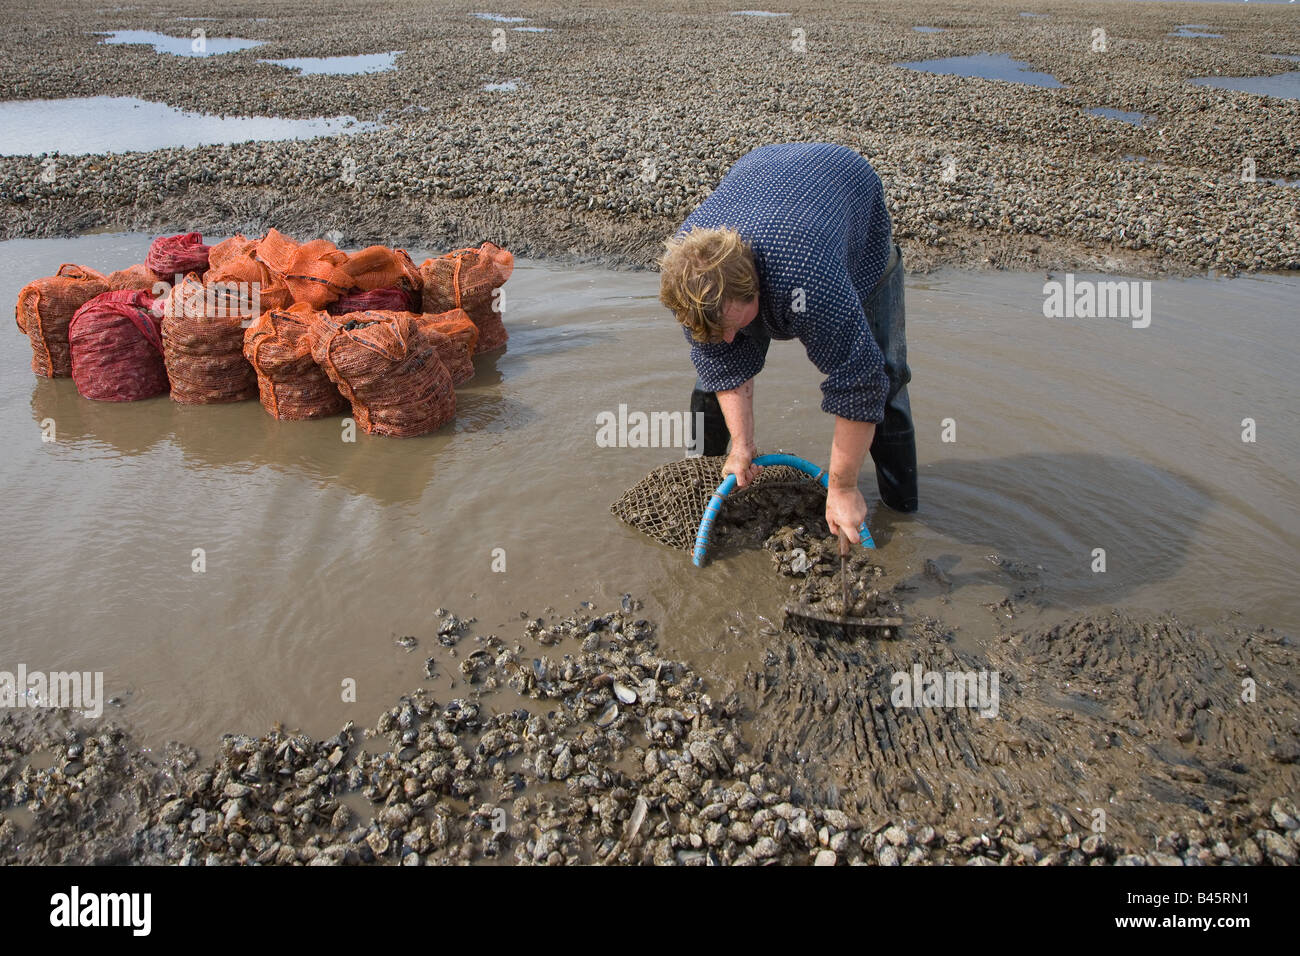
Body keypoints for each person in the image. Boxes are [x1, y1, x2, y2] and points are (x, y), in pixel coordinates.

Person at [658, 142, 917, 544]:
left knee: (885, 379)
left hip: (846, 198)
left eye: (734, 325)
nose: (728, 339)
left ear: (757, 291)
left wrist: (844, 487)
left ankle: (903, 511)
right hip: (762, 174)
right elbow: (721, 359)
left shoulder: (808, 278)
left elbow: (859, 381)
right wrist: (743, 446)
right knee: (711, 377)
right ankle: (704, 483)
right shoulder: (690, 282)